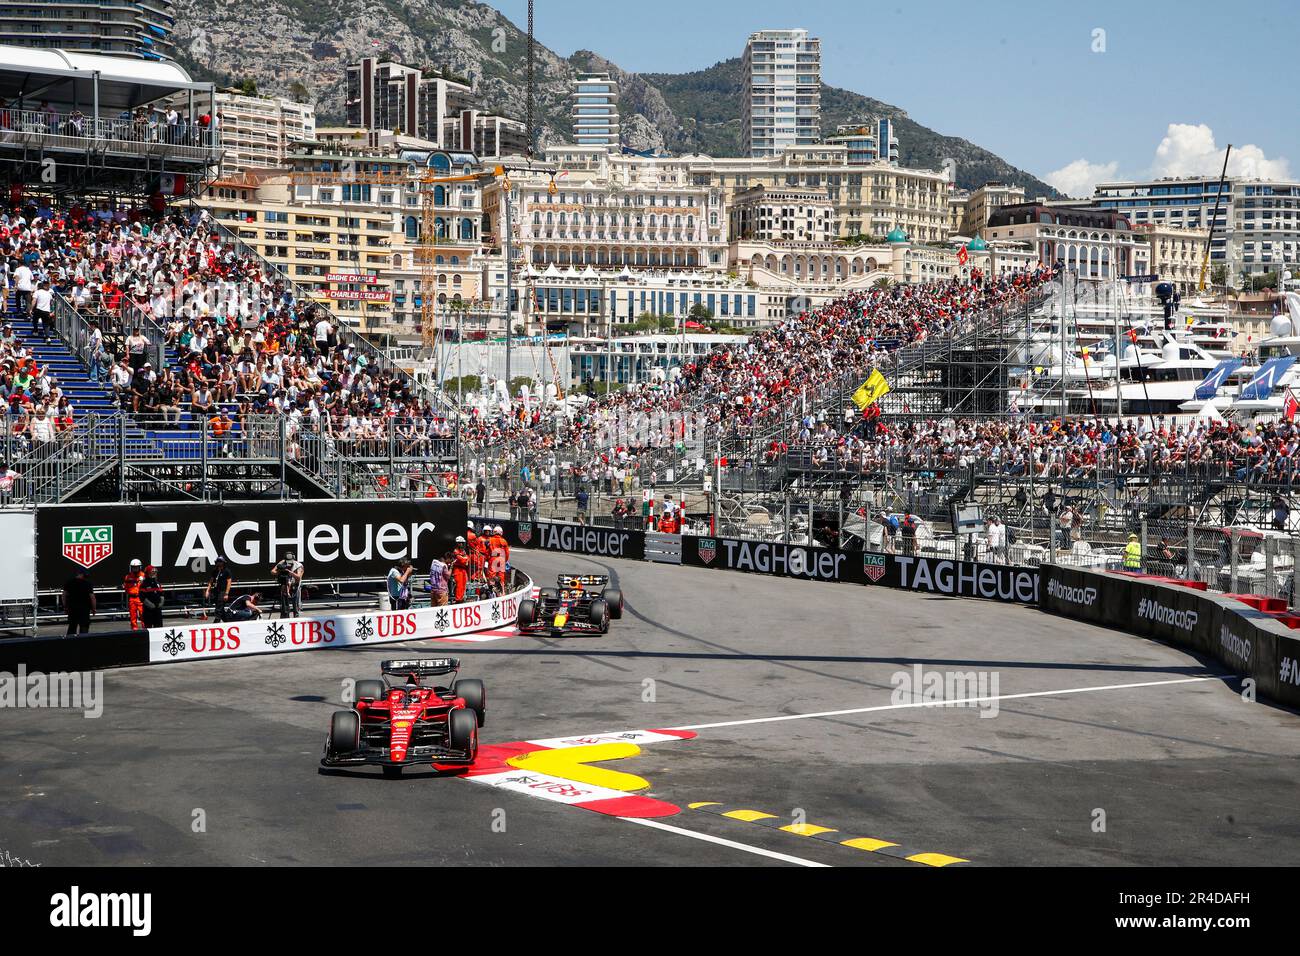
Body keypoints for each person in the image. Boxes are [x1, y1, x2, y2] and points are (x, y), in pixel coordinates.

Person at [270, 552, 304, 618]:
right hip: (285, 585)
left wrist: (289, 572)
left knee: (296, 605)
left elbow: (298, 577)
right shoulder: (282, 562)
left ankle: (296, 619)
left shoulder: (299, 565)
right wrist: (280, 572)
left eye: (290, 562)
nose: (289, 563)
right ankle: (285, 616)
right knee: (284, 605)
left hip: (295, 586)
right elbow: (272, 571)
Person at [62, 568, 95, 635]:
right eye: (85, 575)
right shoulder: (87, 583)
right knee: (84, 629)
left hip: (72, 608)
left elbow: (63, 596)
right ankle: (82, 644)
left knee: (72, 627)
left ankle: (70, 643)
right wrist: (94, 609)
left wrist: (65, 607)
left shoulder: (69, 582)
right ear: (82, 574)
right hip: (84, 609)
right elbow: (92, 598)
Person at [204, 556, 233, 622]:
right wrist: (207, 591)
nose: (219, 563)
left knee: (219, 607)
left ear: (223, 563)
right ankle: (227, 621)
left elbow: (229, 582)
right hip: (216, 591)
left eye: (220, 562)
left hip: (223, 591)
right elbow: (211, 582)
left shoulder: (227, 571)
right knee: (220, 608)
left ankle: (216, 621)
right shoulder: (215, 571)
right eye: (218, 562)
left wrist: (226, 593)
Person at [122, 559, 144, 630]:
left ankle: (146, 630)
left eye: (136, 567)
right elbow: (126, 587)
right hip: (132, 598)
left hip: (141, 598)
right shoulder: (128, 576)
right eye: (133, 567)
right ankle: (134, 631)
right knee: (132, 617)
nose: (135, 568)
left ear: (140, 567)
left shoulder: (144, 576)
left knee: (143, 615)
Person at [450, 537, 471, 603]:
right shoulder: (455, 551)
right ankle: (458, 600)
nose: (461, 544)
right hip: (457, 569)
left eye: (462, 543)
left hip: (463, 569)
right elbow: (461, 560)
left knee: (464, 584)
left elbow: (468, 558)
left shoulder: (463, 551)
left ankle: (461, 598)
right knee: (459, 585)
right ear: (457, 543)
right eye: (459, 543)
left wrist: (465, 558)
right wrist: (465, 559)